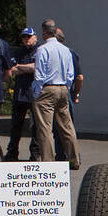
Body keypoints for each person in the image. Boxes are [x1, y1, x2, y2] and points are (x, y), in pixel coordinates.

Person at [30, 19, 80, 166]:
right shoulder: (66, 50)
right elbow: (71, 74)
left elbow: (39, 75)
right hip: (63, 88)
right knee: (66, 126)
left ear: (44, 32)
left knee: (45, 128)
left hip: (47, 88)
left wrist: (36, 92)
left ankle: (48, 162)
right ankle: (74, 158)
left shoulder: (42, 49)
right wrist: (67, 88)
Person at [5, 27, 40, 161]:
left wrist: (21, 67)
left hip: (34, 93)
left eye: (28, 37)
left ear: (35, 37)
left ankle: (35, 153)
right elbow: (12, 69)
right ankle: (12, 152)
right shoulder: (19, 52)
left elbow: (37, 68)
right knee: (16, 125)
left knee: (36, 126)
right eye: (24, 37)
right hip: (20, 93)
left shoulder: (39, 51)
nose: (26, 39)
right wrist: (26, 68)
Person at [54, 28, 83, 161]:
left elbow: (79, 77)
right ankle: (73, 156)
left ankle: (61, 156)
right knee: (67, 127)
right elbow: (79, 78)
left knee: (58, 127)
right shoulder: (70, 53)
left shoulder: (52, 52)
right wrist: (75, 93)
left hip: (57, 92)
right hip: (67, 92)